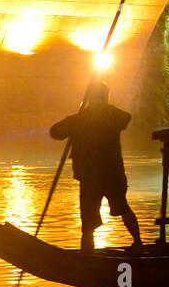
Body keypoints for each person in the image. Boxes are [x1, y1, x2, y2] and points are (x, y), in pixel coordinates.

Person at [50, 81, 142, 252]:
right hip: (104, 174)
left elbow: (55, 132)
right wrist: (81, 116)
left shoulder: (81, 119)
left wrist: (80, 116)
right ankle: (136, 243)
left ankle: (89, 251)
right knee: (114, 210)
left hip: (95, 175)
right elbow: (55, 132)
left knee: (92, 217)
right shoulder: (107, 116)